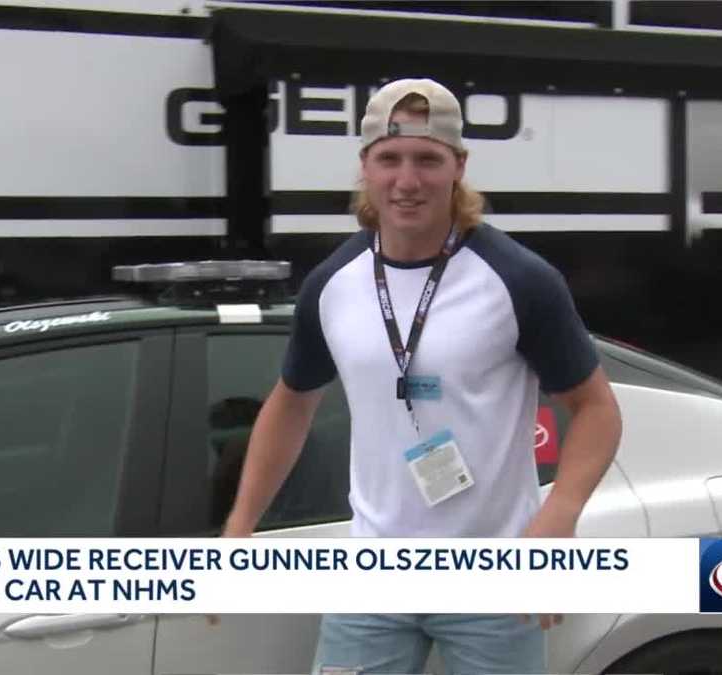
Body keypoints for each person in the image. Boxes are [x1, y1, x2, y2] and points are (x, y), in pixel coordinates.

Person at [222, 78, 622, 674]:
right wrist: (240, 524)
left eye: (427, 160)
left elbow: (596, 409)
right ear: (366, 166)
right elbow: (291, 402)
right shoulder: (334, 284)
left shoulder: (517, 278)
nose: (407, 181)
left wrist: (557, 517)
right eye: (390, 159)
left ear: (458, 166)